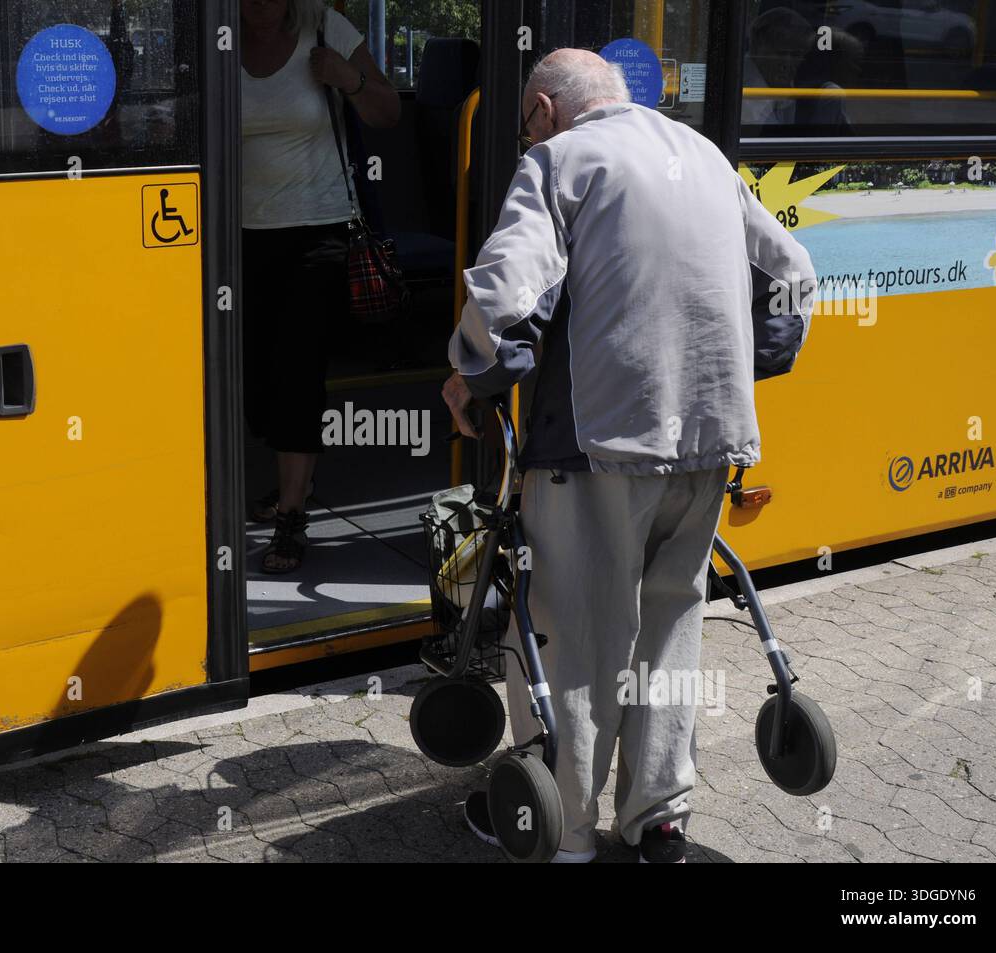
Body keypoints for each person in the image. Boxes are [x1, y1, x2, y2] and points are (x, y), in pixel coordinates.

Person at [441, 49, 816, 863]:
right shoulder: (706, 157)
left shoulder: (558, 160)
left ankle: (565, 827)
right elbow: (791, 278)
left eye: (523, 125)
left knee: (574, 630)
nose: (524, 136)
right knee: (671, 622)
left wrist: (471, 380)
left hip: (597, 445)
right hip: (713, 439)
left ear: (543, 109)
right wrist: (732, 369)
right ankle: (659, 818)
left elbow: (505, 301)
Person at [240, 0, 400, 574]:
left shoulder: (325, 26)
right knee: (250, 381)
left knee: (296, 375)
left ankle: (290, 513)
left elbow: (386, 113)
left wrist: (348, 77)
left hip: (317, 234)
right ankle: (294, 476)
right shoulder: (215, 35)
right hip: (234, 239)